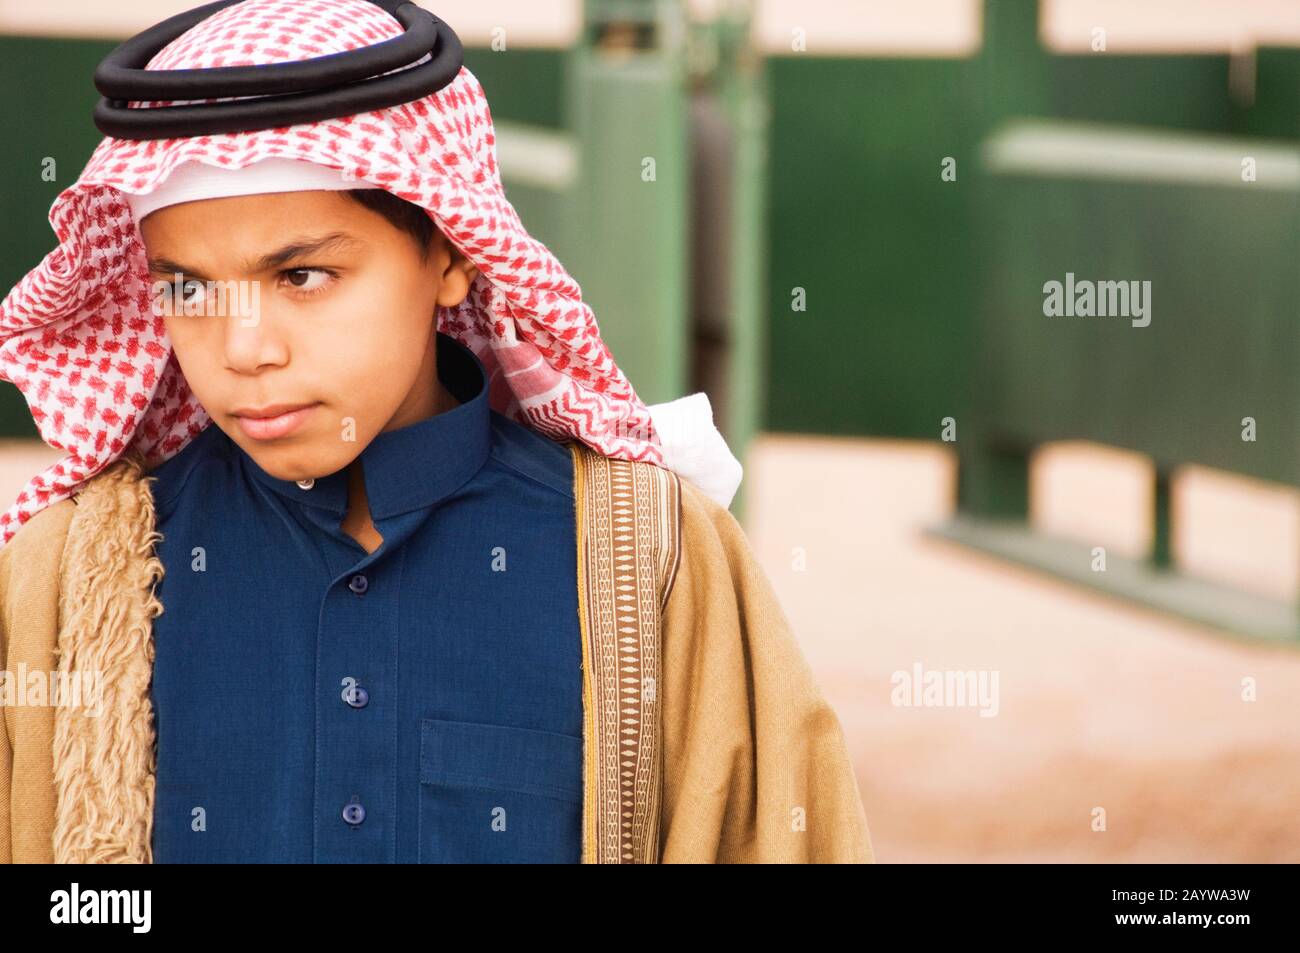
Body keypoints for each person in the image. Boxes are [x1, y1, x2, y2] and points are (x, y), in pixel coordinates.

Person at [0, 0, 872, 863]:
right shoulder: (71, 586)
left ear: (452, 254)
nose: (243, 349)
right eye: (188, 289)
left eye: (302, 274)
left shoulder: (652, 564)